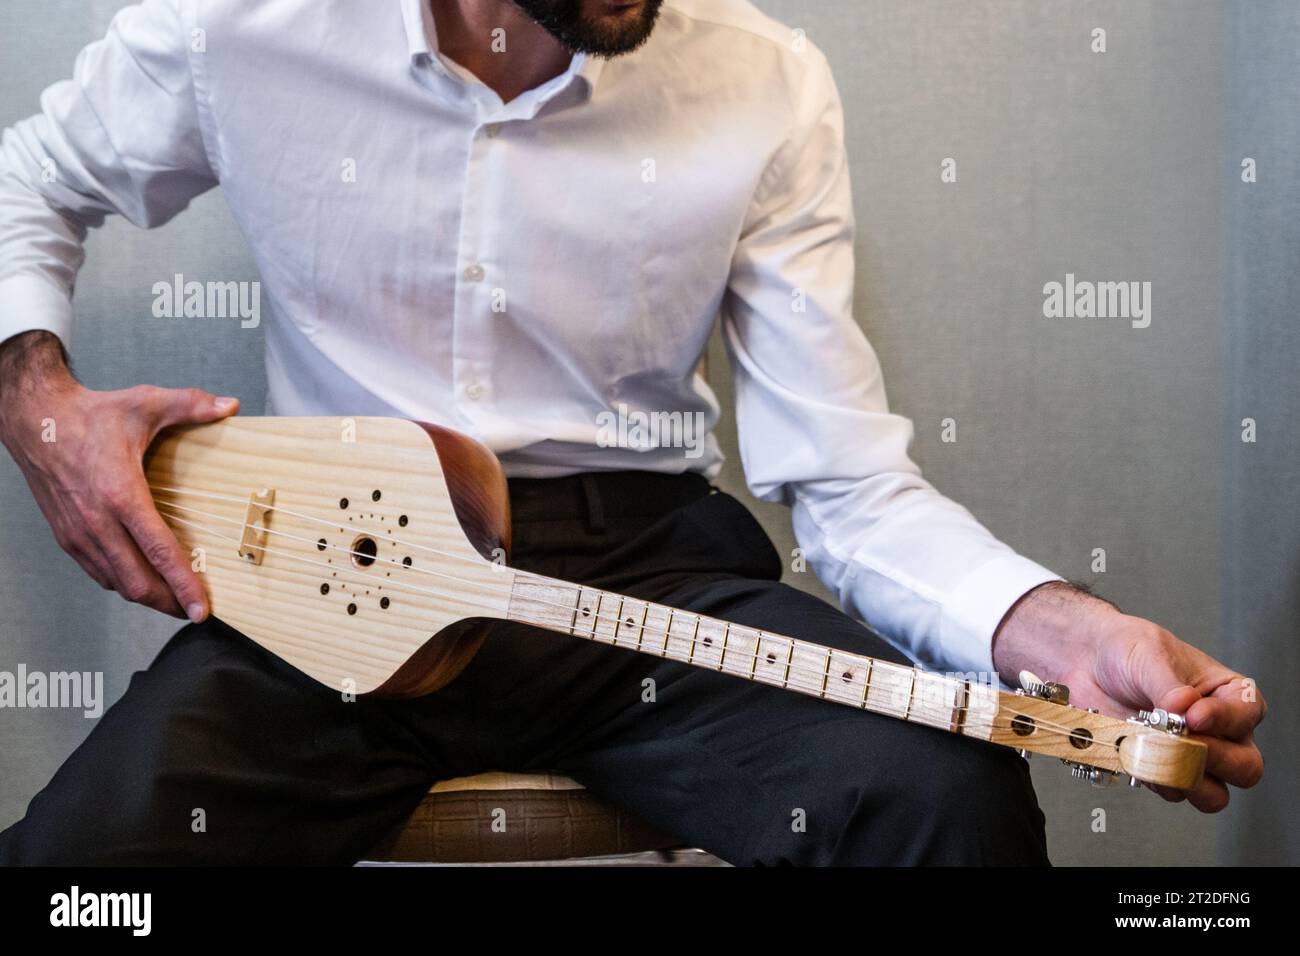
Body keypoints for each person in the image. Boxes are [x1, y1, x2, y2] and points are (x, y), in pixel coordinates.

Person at [0, 0, 1264, 865]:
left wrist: (1064, 627)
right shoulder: (242, 27)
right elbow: (29, 181)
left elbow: (847, 484)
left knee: (941, 796)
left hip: (647, 578)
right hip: (334, 597)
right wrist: (42, 405)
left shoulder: (764, 75)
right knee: (80, 869)